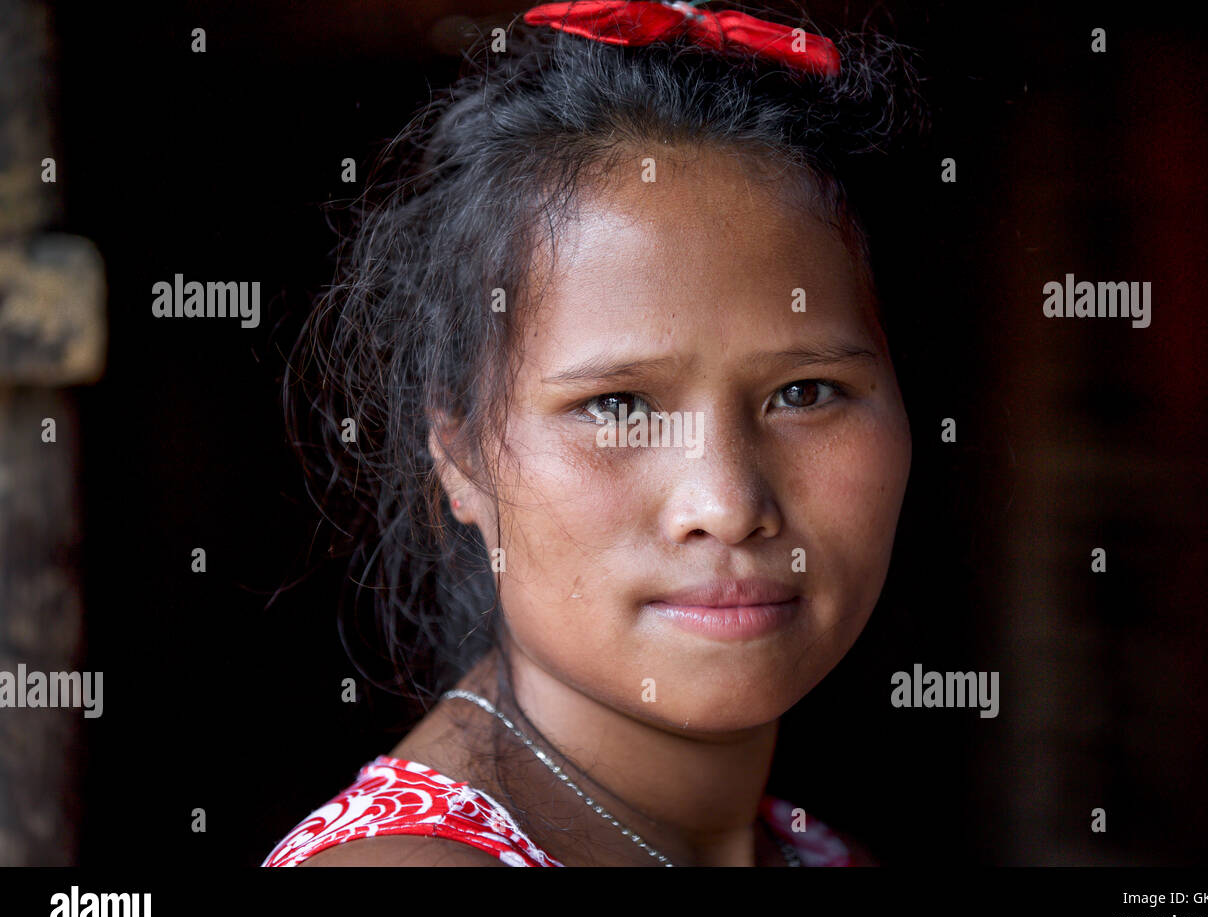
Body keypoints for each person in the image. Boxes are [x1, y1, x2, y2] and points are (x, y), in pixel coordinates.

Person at [265, 0, 924, 867]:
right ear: (458, 450)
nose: (726, 505)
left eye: (805, 392)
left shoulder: (814, 852)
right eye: (617, 406)